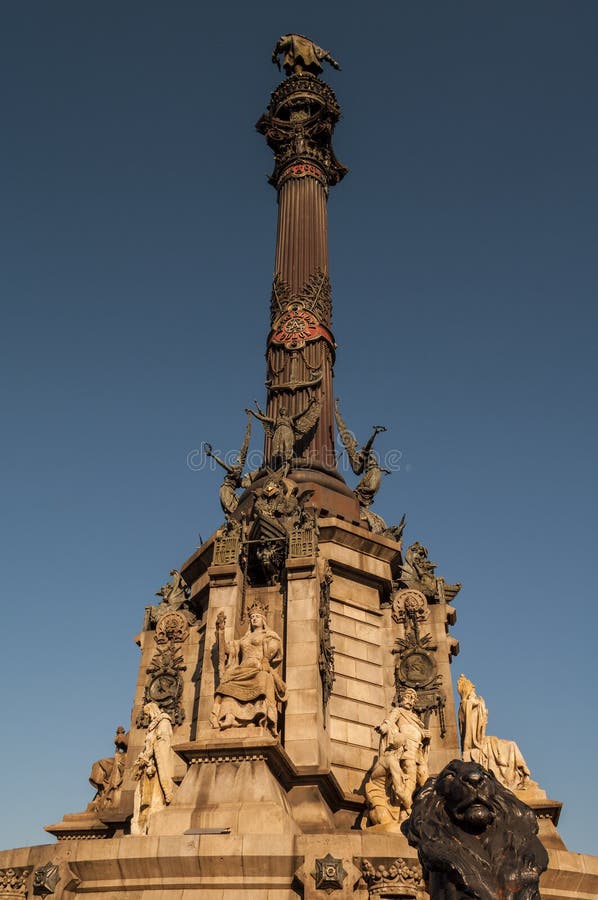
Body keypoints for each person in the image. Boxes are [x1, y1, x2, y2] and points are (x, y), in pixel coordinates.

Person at [210, 604, 287, 736]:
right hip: (242, 668)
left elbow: (275, 647)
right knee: (227, 684)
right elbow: (228, 650)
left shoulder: (268, 635)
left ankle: (256, 717)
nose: (254, 619)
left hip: (257, 667)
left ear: (263, 620)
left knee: (263, 678)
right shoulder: (243, 639)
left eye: (257, 617)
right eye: (252, 617)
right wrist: (221, 632)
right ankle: (229, 715)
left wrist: (266, 659)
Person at [366, 689, 430, 827]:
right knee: (410, 782)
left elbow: (417, 733)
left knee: (426, 782)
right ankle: (407, 815)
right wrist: (383, 728)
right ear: (402, 698)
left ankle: (426, 812)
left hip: (419, 752)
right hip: (407, 753)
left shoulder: (416, 719)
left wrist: (424, 734)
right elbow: (389, 722)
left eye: (412, 698)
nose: (409, 699)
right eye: (407, 696)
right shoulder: (398, 711)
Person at [457, 674, 531, 791]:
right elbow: (469, 734)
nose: (474, 690)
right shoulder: (465, 706)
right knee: (510, 745)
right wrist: (474, 702)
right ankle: (520, 775)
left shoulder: (473, 703)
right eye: (472, 689)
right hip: (478, 743)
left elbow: (481, 721)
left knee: (511, 744)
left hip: (485, 740)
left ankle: (522, 774)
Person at [130, 702, 174, 835]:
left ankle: (150, 828)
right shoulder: (152, 726)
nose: (147, 717)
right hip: (147, 768)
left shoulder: (164, 722)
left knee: (154, 799)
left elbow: (162, 746)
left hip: (155, 769)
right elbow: (149, 746)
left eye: (147, 713)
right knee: (140, 797)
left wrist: (147, 755)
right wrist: (141, 757)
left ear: (152, 710)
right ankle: (140, 828)